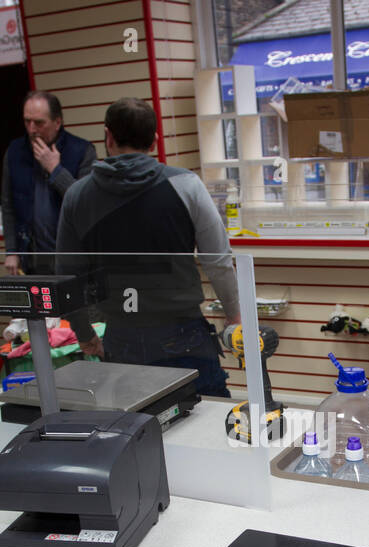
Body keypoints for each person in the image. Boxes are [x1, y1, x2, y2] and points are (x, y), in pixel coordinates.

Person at [53, 97, 236, 397]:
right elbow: (218, 261)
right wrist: (234, 314)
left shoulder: (77, 196)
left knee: (136, 431)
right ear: (154, 140)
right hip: (184, 335)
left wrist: (84, 334)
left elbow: (67, 276)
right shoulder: (187, 185)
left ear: (107, 136)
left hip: (120, 337)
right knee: (206, 425)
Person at [2, 91, 96, 276]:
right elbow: (8, 206)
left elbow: (85, 205)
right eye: (27, 121)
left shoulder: (82, 150)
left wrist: (56, 170)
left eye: (39, 123)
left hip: (72, 256)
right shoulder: (14, 152)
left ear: (57, 122)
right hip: (33, 257)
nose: (31, 129)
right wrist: (11, 251)